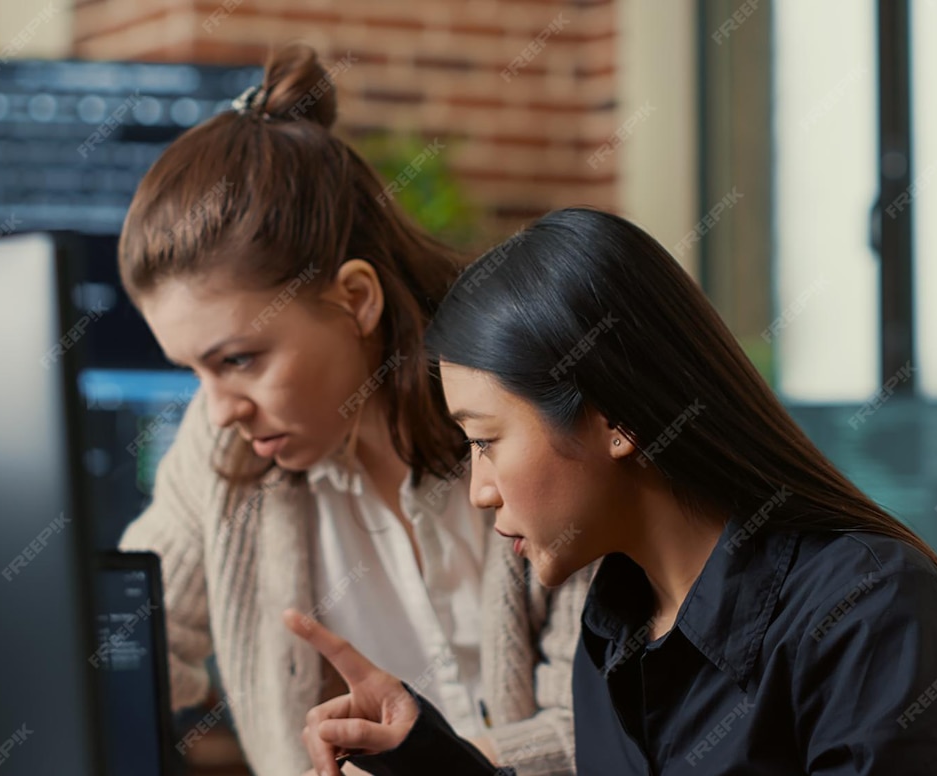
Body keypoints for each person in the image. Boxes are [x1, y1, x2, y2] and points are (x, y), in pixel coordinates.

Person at [286, 207, 937, 775]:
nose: (479, 491)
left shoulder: (869, 609)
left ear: (616, 419)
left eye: (486, 441)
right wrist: (429, 757)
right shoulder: (616, 627)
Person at [115, 44, 591, 776]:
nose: (218, 410)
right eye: (194, 372)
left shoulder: (530, 423)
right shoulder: (219, 448)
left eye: (238, 359)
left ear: (355, 300)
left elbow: (605, 728)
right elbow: (130, 654)